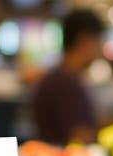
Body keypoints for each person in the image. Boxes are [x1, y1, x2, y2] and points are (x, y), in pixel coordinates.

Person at [31, 9, 104, 145]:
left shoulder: (60, 78)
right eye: (99, 41)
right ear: (84, 40)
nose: (100, 49)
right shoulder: (64, 84)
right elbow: (79, 136)